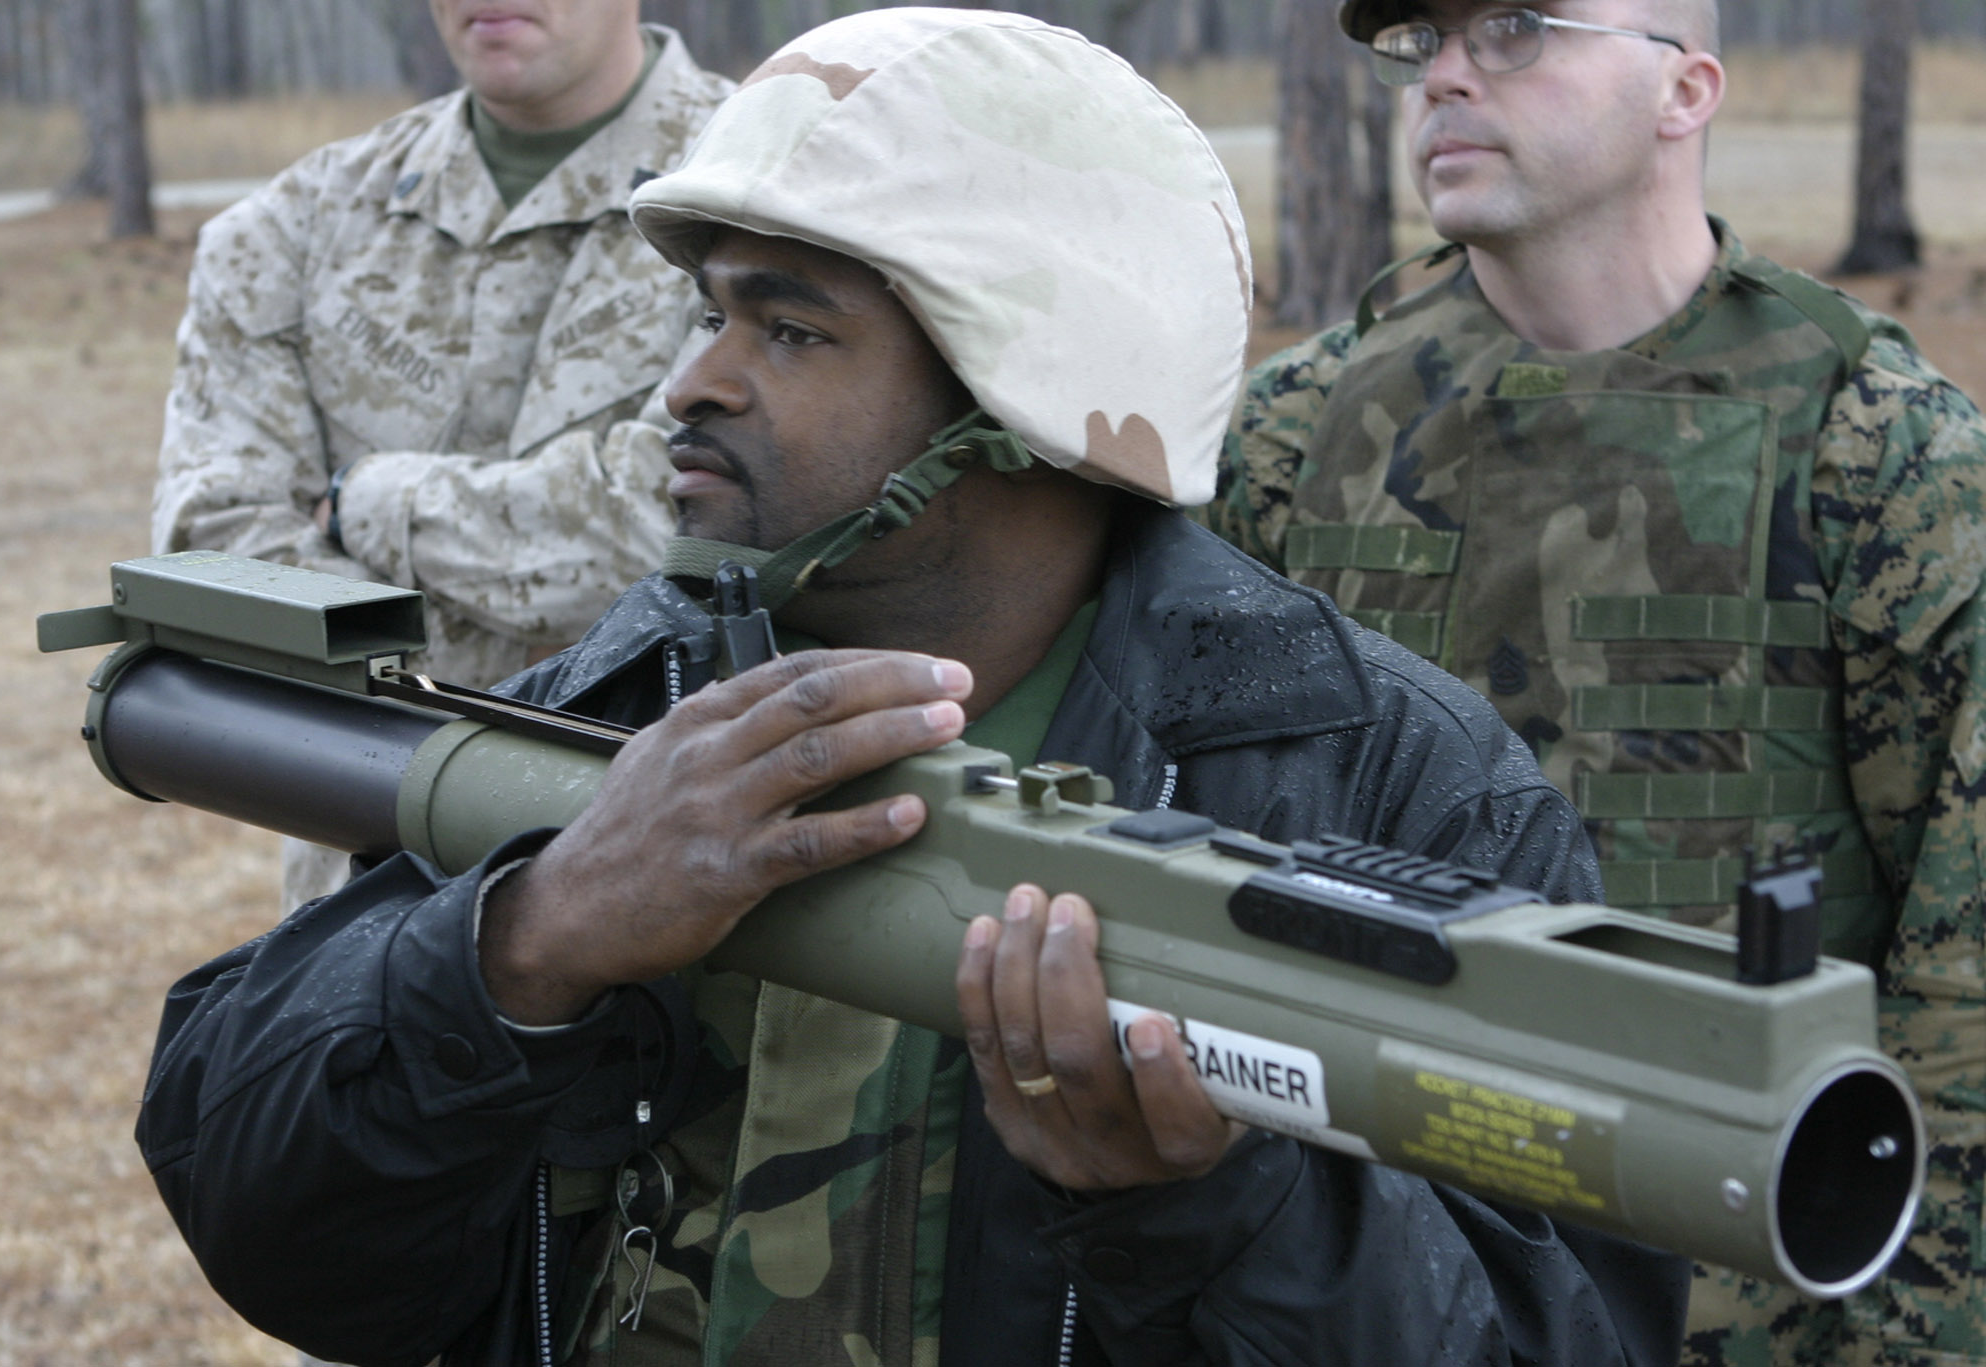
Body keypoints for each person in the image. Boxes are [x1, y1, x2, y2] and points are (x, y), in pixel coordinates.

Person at [137, 10, 1687, 1365]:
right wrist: (523, 945)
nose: (694, 382)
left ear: (1029, 404)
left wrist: (1215, 1202)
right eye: (711, 311)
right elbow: (271, 1224)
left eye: (793, 327)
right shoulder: (622, 699)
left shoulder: (1375, 782)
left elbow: (1567, 1331)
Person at [1206, 2, 1986, 1363]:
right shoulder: (1294, 436)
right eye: (1419, 38)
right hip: (1363, 1292)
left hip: (1753, 1293)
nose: (1442, 72)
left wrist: (1911, 1333)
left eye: (1512, 28)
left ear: (1685, 89)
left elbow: (1962, 975)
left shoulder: (1876, 446)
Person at [150, 0, 731, 912]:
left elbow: (681, 534)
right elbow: (213, 554)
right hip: (366, 893)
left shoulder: (764, 200)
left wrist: (367, 507)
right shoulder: (290, 230)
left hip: (686, 890)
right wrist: (545, 626)